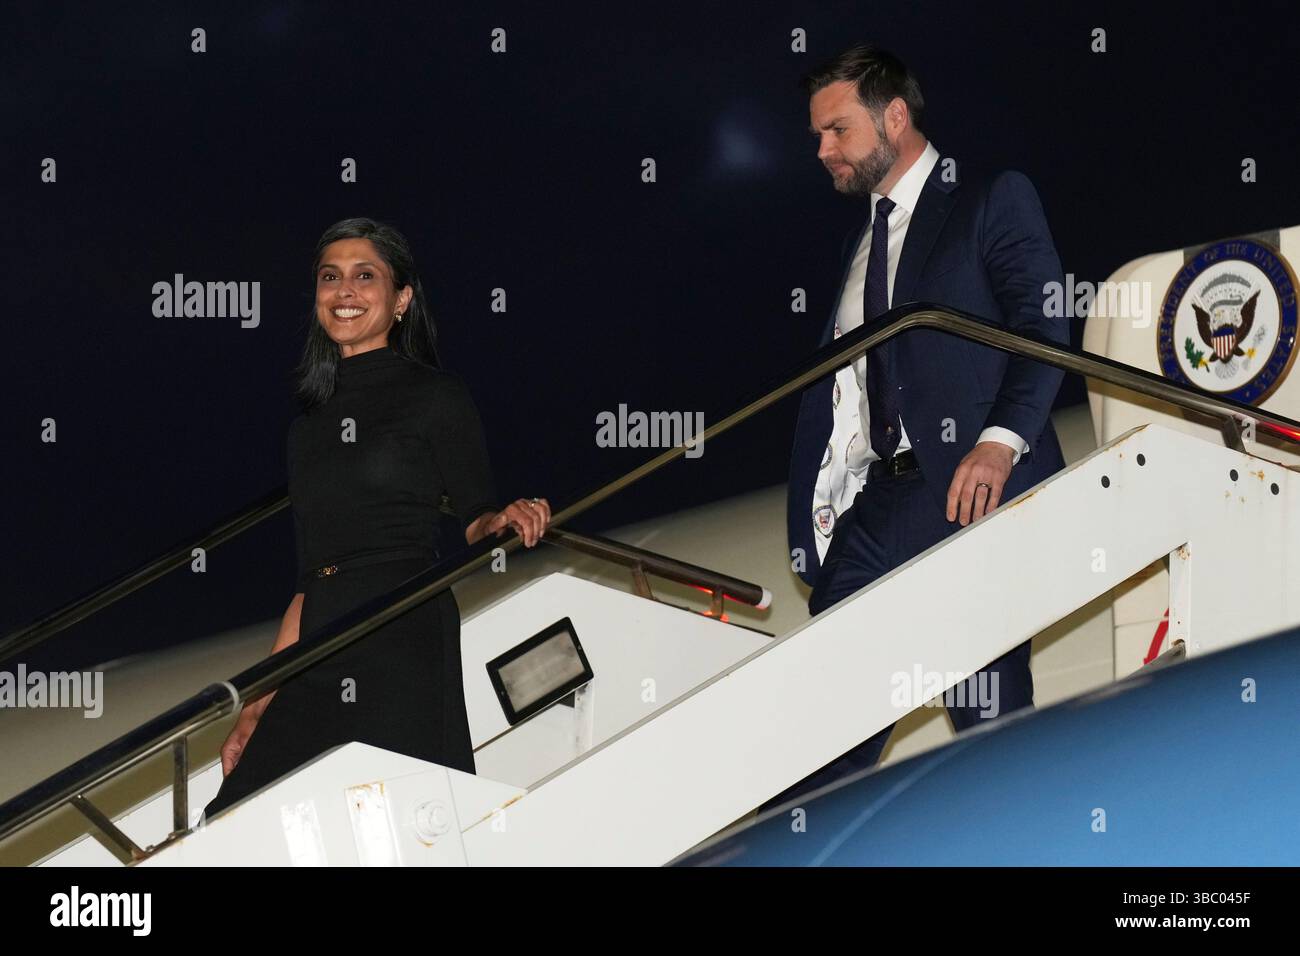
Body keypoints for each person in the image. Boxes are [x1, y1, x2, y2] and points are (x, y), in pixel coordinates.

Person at [777, 45, 1067, 805]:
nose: (822, 151)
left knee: (989, 730)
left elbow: (1045, 325)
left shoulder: (990, 198)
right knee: (820, 738)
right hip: (878, 511)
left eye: (836, 130)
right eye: (816, 137)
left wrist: (1000, 444)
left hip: (972, 501)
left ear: (894, 117)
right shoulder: (860, 243)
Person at [203, 217, 551, 820]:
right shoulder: (307, 426)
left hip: (402, 620)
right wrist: (256, 707)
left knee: (416, 818)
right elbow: (310, 578)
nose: (345, 291)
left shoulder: (436, 396)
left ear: (402, 299)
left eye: (366, 276)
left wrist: (505, 519)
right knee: (235, 813)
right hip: (322, 631)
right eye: (330, 277)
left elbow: (475, 516)